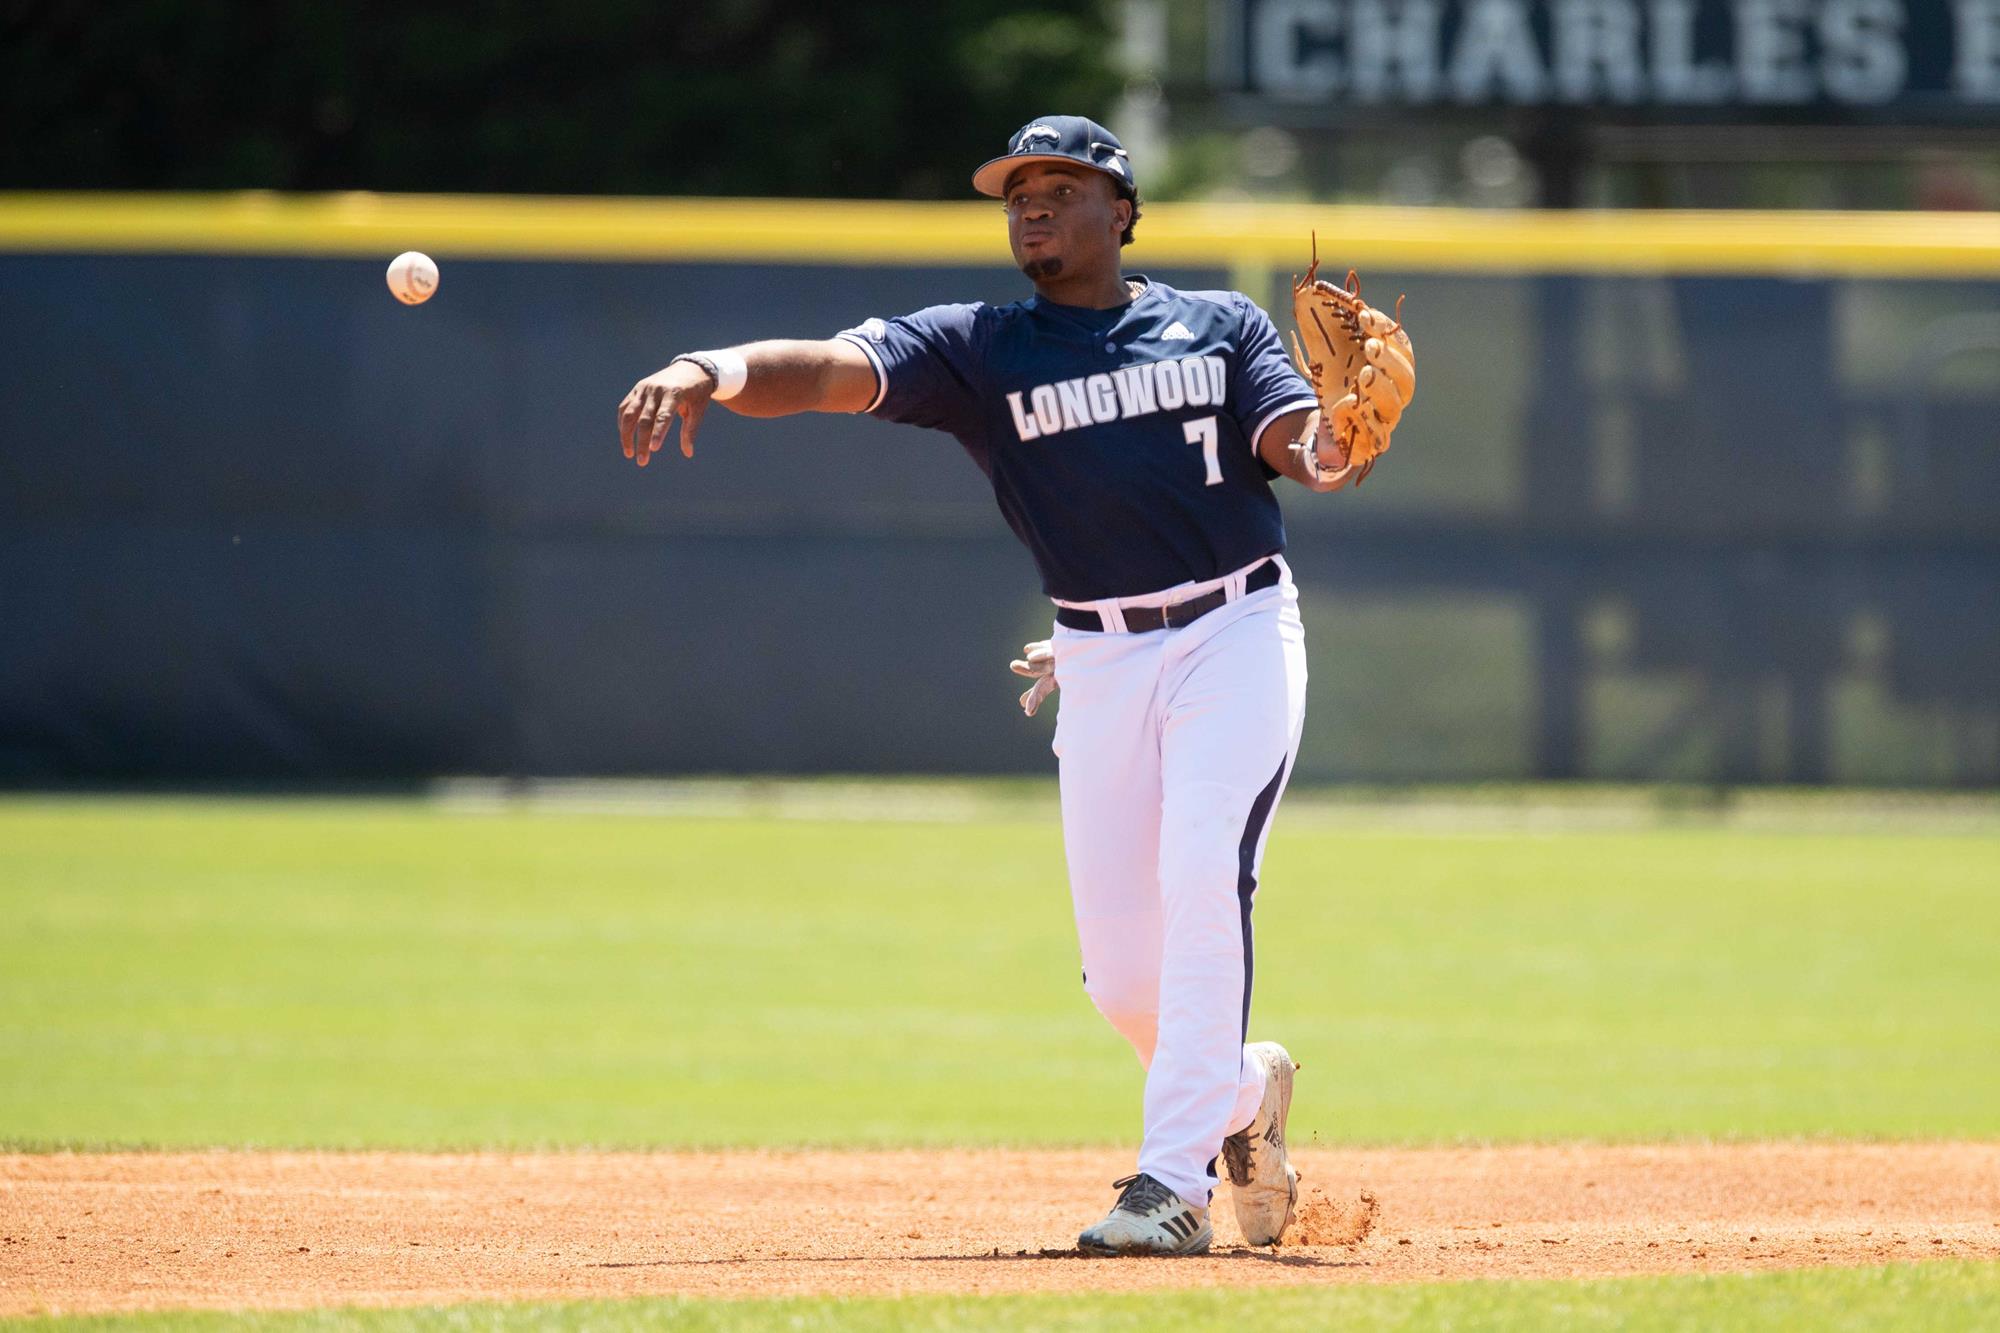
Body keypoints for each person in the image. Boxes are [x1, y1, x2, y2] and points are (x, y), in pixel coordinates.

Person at [617, 115, 1371, 1256]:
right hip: (1099, 656)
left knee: (1204, 870)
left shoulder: (1219, 326)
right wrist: (704, 369)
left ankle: (1167, 1185)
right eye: (1015, 190)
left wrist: (1346, 438)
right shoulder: (980, 346)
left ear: (1118, 210)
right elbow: (826, 370)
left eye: (1058, 186)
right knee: (1123, 976)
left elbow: (1302, 449)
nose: (1028, 205)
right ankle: (1237, 1098)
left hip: (1235, 631)